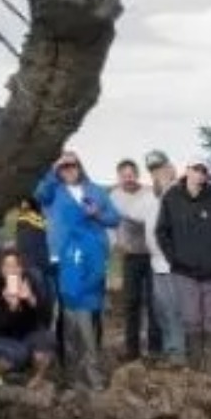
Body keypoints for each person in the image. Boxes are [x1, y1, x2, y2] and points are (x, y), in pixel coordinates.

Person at [38, 152, 121, 391]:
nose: (68, 169)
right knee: (68, 319)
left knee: (91, 316)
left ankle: (92, 371)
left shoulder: (96, 191)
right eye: (63, 166)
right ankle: (72, 374)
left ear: (80, 166)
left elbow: (115, 219)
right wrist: (53, 169)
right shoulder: (53, 190)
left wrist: (98, 214)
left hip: (91, 259)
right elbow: (40, 194)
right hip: (63, 259)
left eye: (72, 165)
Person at [155, 161, 211, 372]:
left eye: (203, 171)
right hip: (184, 271)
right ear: (187, 171)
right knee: (191, 318)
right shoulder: (172, 198)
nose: (200, 174)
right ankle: (196, 362)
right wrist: (174, 259)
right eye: (196, 169)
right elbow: (162, 232)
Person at [109, 159, 168, 363]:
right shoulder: (114, 197)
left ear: (137, 175)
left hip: (152, 255)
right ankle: (131, 350)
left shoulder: (149, 193)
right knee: (131, 302)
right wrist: (116, 245)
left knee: (154, 302)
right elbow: (111, 225)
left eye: (131, 175)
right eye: (124, 175)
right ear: (119, 177)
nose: (128, 178)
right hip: (130, 255)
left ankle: (155, 349)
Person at [0, 250, 57, 386]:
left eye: (16, 266)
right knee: (19, 353)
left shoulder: (28, 282)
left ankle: (36, 380)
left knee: (47, 339)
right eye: (7, 266)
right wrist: (12, 307)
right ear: (1, 270)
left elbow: (45, 317)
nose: (12, 270)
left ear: (21, 268)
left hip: (25, 336)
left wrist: (31, 299)